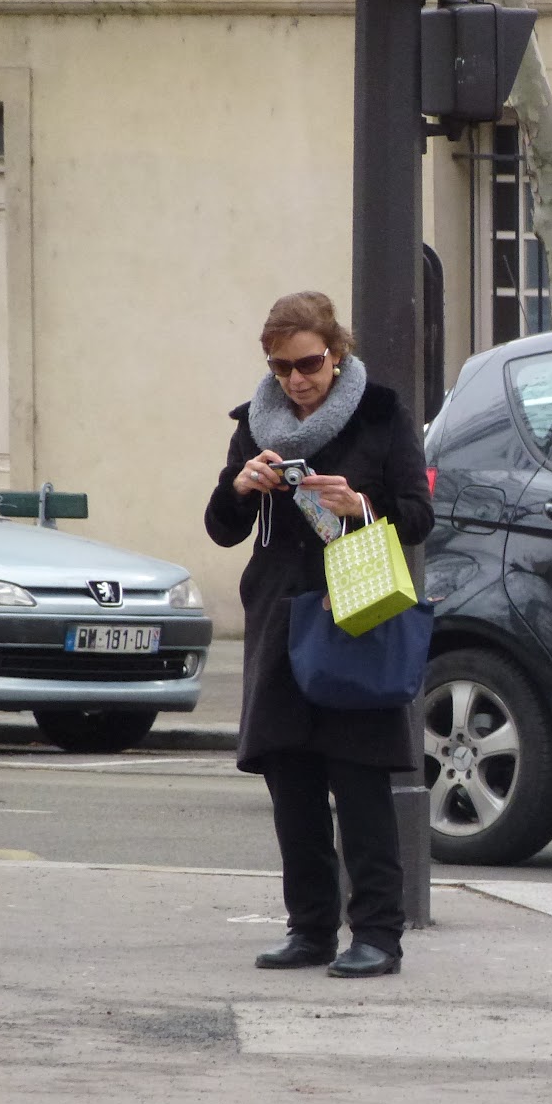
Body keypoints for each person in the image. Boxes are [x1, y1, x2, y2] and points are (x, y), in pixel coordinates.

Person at [204, 290, 434, 979]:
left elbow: (419, 516)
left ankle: (378, 936)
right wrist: (240, 486)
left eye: (307, 363)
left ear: (335, 353)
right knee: (291, 784)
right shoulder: (256, 424)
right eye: (281, 367)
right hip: (279, 615)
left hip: (353, 611)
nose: (296, 380)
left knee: (359, 783)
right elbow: (221, 530)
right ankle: (309, 930)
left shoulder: (382, 415)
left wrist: (359, 504)